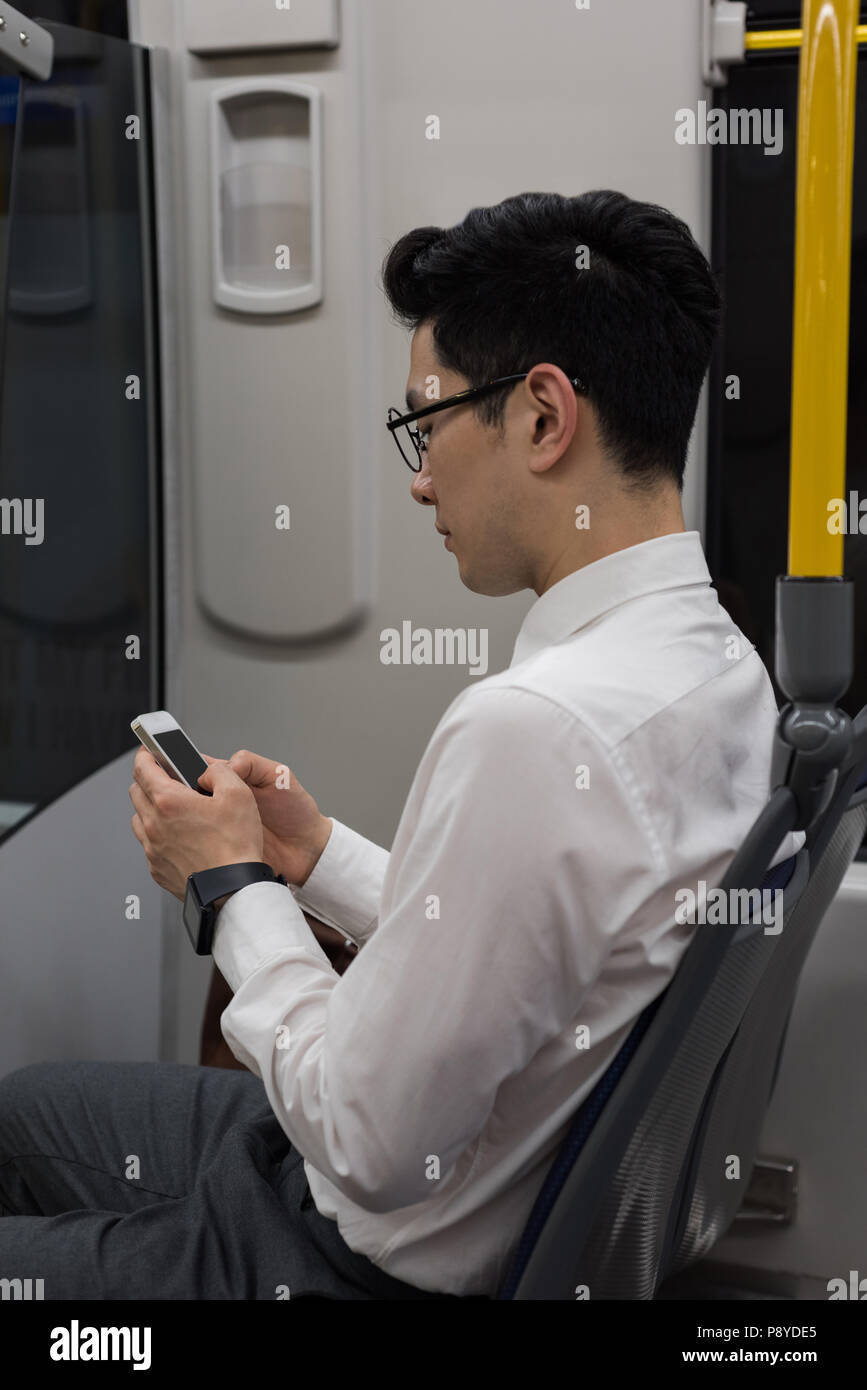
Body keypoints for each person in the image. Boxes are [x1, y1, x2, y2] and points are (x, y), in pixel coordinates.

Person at [0, 189, 804, 1300]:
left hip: (337, 1254)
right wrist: (313, 856)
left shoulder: (534, 728)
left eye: (426, 426)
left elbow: (369, 1139)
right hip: (377, 1172)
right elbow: (538, 951)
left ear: (540, 416)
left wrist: (232, 885)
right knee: (21, 1114)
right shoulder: (718, 667)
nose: (420, 476)